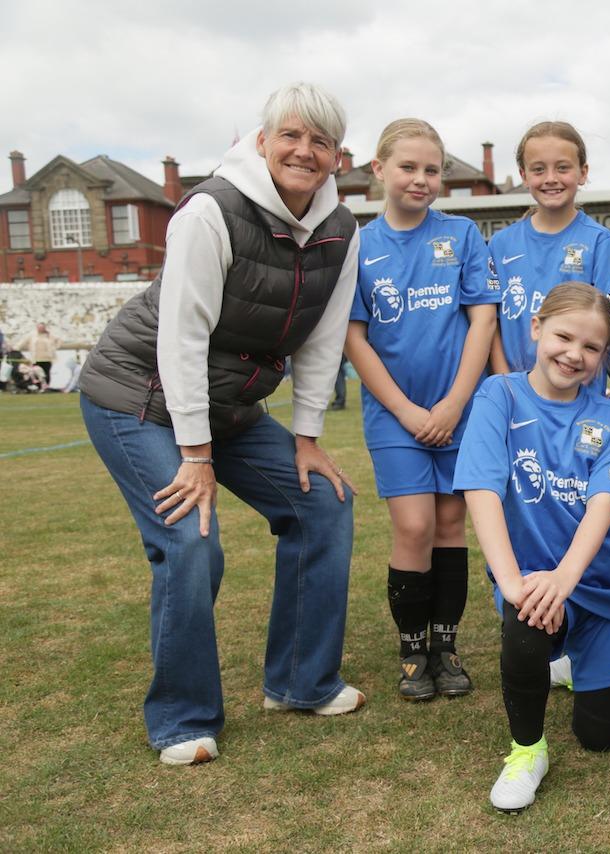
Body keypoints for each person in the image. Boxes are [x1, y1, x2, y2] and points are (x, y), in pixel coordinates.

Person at [78, 82, 365, 766]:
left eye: (319, 141)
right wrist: (196, 456)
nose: (303, 150)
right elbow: (181, 338)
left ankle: (300, 682)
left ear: (337, 158)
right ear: (262, 141)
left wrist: (306, 439)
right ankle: (181, 718)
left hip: (230, 408)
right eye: (290, 135)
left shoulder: (342, 230)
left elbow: (324, 338)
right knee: (191, 536)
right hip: (139, 397)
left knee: (322, 504)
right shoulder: (209, 211)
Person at [455, 283, 610, 812]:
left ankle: (571, 659)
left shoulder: (609, 417)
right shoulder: (500, 395)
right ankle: (527, 750)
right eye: (564, 336)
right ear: (537, 328)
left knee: (599, 737)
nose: (575, 354)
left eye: (592, 348)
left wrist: (565, 579)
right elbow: (482, 491)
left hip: (601, 583)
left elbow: (601, 506)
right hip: (539, 586)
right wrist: (514, 584)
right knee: (526, 616)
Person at [345, 118, 499, 701]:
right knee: (414, 525)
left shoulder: (460, 236)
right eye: (408, 167)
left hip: (458, 411)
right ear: (378, 171)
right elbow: (353, 338)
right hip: (396, 416)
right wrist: (409, 412)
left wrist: (456, 403)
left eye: (431, 169)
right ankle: (413, 651)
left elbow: (482, 318)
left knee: (452, 523)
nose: (421, 179)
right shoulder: (359, 245)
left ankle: (445, 646)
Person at [489, 121, 610, 387]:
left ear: (582, 172)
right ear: (524, 175)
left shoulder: (599, 242)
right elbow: (489, 324)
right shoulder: (500, 244)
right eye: (539, 169)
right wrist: (504, 382)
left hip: (578, 395)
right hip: (515, 395)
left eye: (562, 168)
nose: (551, 178)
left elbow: (609, 330)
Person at [16, 322, 61, 390]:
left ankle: (46, 387)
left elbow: (59, 340)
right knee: (36, 373)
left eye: (42, 327)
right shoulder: (32, 335)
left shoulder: (49, 335)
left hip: (47, 358)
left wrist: (55, 347)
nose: (40, 329)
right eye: (39, 327)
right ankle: (39, 387)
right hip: (36, 358)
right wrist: (15, 348)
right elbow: (23, 342)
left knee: (46, 373)